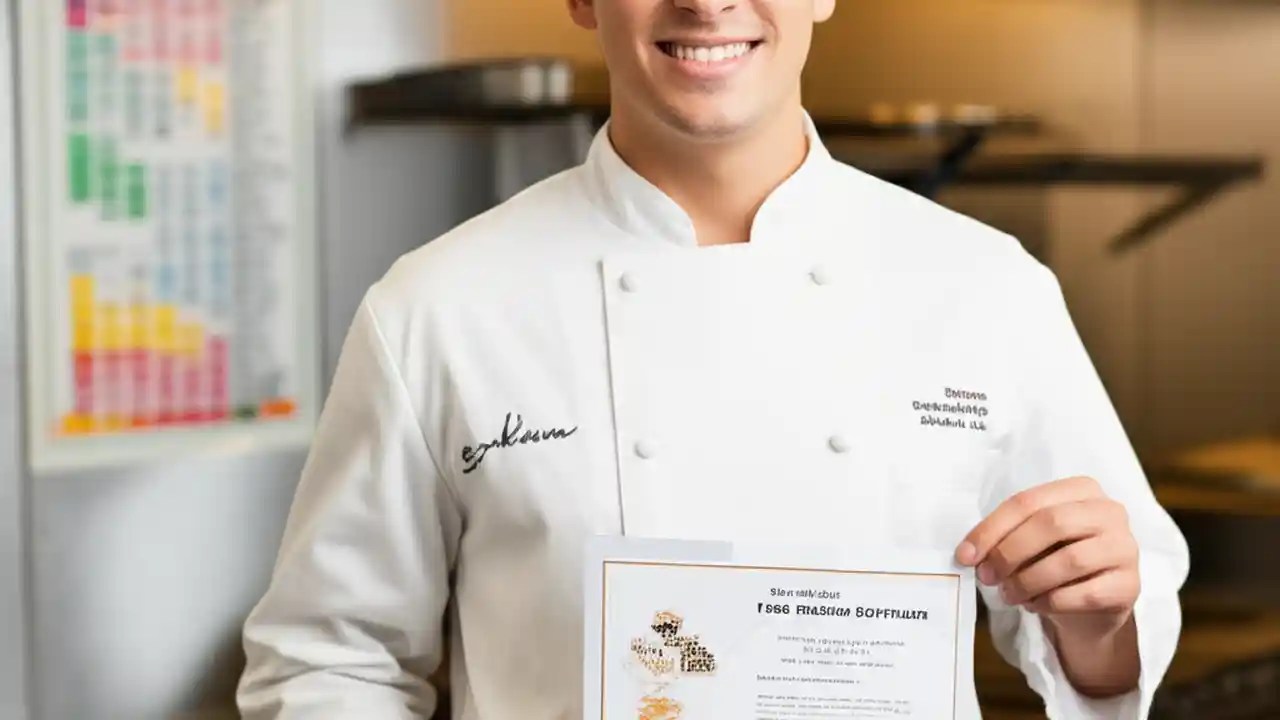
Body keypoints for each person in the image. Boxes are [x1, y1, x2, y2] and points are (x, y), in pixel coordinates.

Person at [237, 1, 1189, 718]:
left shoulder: (985, 286)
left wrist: (1099, 615)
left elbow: (1108, 645)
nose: (706, 0)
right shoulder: (440, 306)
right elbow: (330, 657)